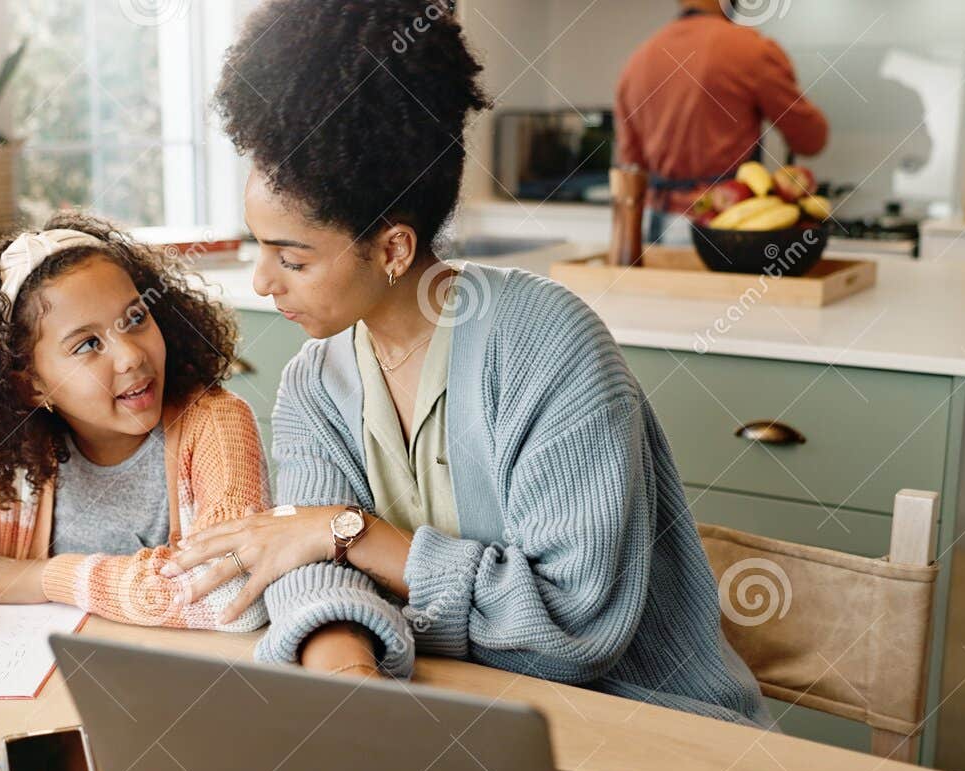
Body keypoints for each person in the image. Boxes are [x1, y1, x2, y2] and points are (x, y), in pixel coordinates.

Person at [163, 0, 770, 726]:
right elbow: (310, 577)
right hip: (455, 714)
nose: (263, 282)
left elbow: (568, 634)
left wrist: (351, 531)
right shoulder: (315, 384)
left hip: (647, 726)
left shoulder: (548, 347)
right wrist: (356, 683)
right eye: (257, 246)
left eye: (291, 257)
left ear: (392, 250)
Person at [0, 213, 270, 635]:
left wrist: (32, 578)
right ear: (32, 385)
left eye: (136, 318)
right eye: (88, 344)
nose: (131, 357)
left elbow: (232, 593)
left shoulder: (216, 423)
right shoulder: (2, 448)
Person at [615, 0, 828, 244]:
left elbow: (630, 164)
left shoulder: (638, 60)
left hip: (656, 225)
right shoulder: (750, 50)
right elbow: (811, 140)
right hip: (726, 222)